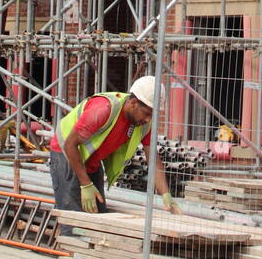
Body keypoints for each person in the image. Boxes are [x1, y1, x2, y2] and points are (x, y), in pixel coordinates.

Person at [49, 75, 180, 216]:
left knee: (98, 213)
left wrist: (166, 194)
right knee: (73, 216)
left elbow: (154, 160)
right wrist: (85, 184)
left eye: (152, 115)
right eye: (147, 113)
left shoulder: (144, 125)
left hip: (91, 158)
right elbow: (70, 144)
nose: (148, 119)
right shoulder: (104, 109)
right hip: (66, 154)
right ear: (134, 103)